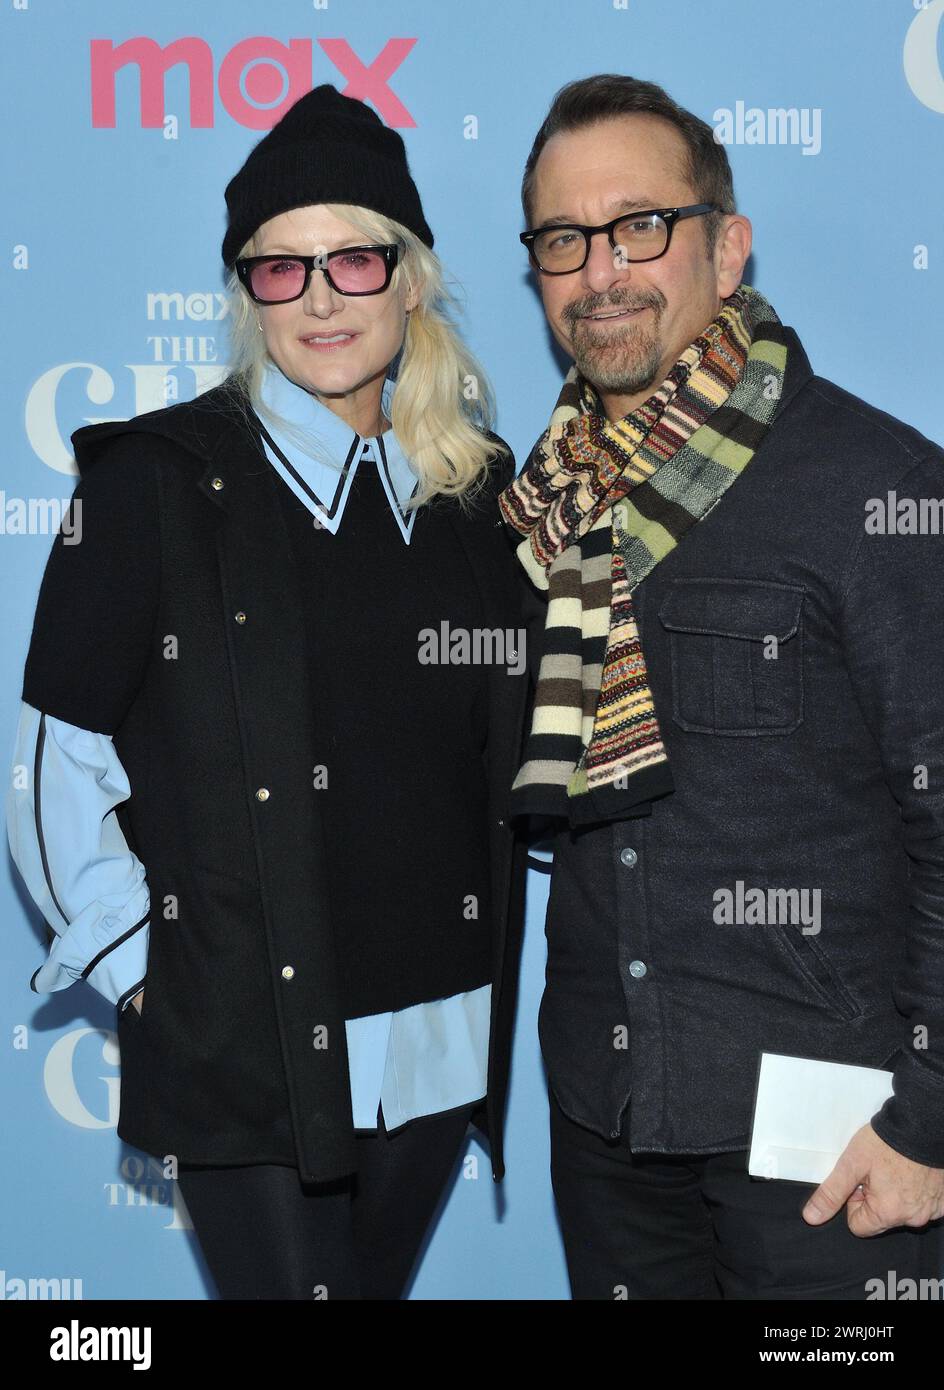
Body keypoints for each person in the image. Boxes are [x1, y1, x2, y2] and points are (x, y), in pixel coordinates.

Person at [6, 84, 530, 1300]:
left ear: (410, 278)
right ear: (246, 294)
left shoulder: (478, 492)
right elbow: (51, 764)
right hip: (246, 1039)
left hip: (439, 1038)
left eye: (352, 256)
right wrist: (152, 974)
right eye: (279, 268)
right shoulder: (152, 481)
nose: (321, 297)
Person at [499, 73, 944, 1300]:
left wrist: (929, 1124)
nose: (601, 271)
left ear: (725, 245)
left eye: (640, 225)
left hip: (835, 1146)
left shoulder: (873, 488)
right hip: (607, 1119)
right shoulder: (544, 510)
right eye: (562, 239)